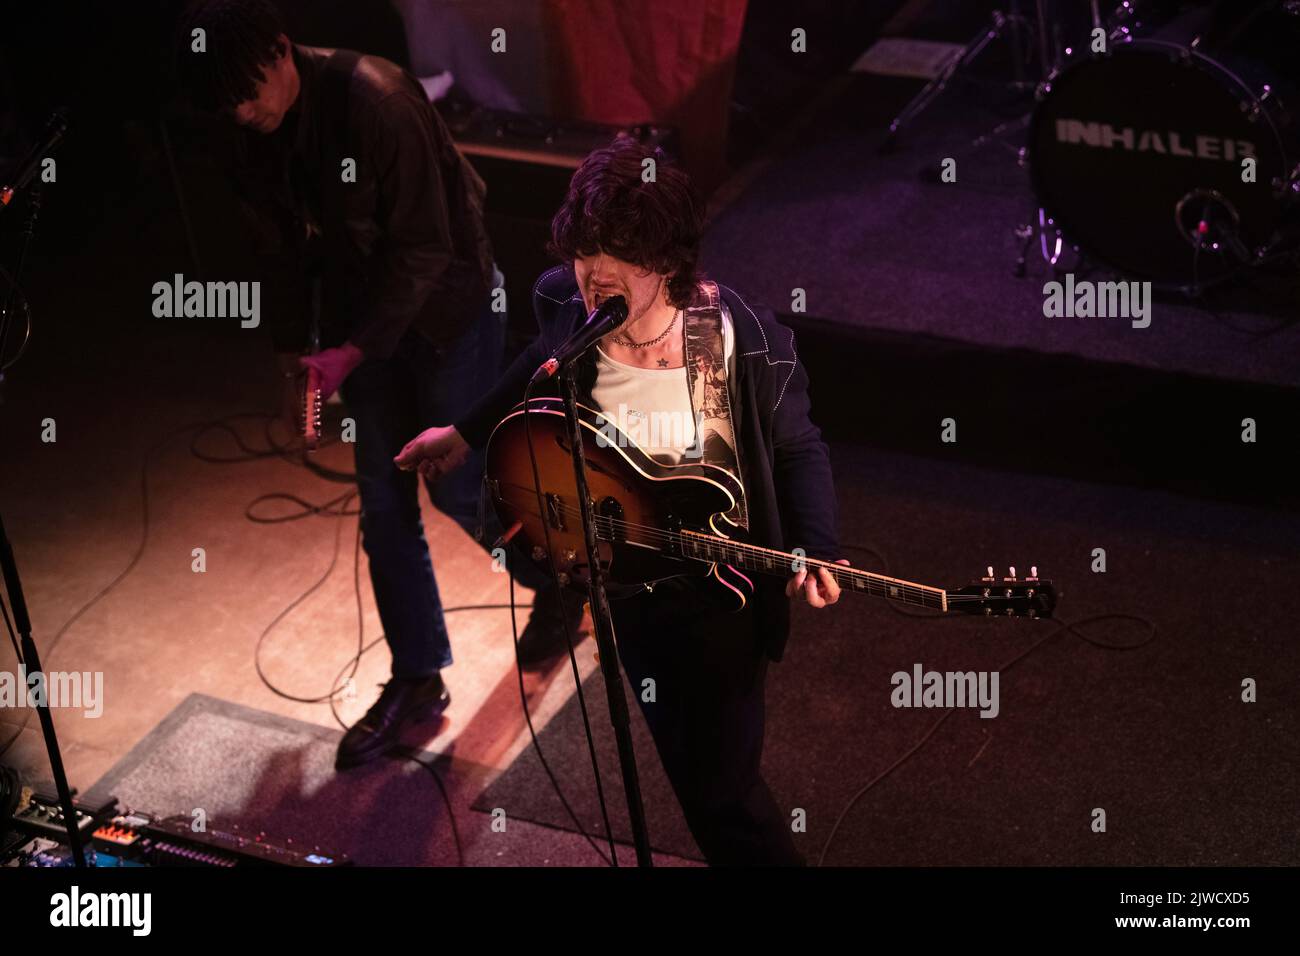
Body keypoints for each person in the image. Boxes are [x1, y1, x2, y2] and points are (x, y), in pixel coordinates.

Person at [396, 138, 848, 865]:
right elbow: (532, 366)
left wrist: (816, 543)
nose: (594, 271)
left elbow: (798, 446)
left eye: (619, 253)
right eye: (585, 249)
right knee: (690, 775)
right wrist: (463, 430)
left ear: (667, 259)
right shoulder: (568, 310)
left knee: (725, 792)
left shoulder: (721, 339)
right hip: (627, 593)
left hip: (722, 594)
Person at [172, 0, 585, 771]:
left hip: (446, 313)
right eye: (225, 100)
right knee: (383, 506)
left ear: (283, 49)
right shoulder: (243, 129)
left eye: (247, 90)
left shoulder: (379, 100)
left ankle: (564, 577)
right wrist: (300, 349)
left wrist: (352, 352)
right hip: (364, 330)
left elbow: (427, 250)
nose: (242, 109)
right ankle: (418, 681)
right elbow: (283, 248)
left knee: (459, 491)